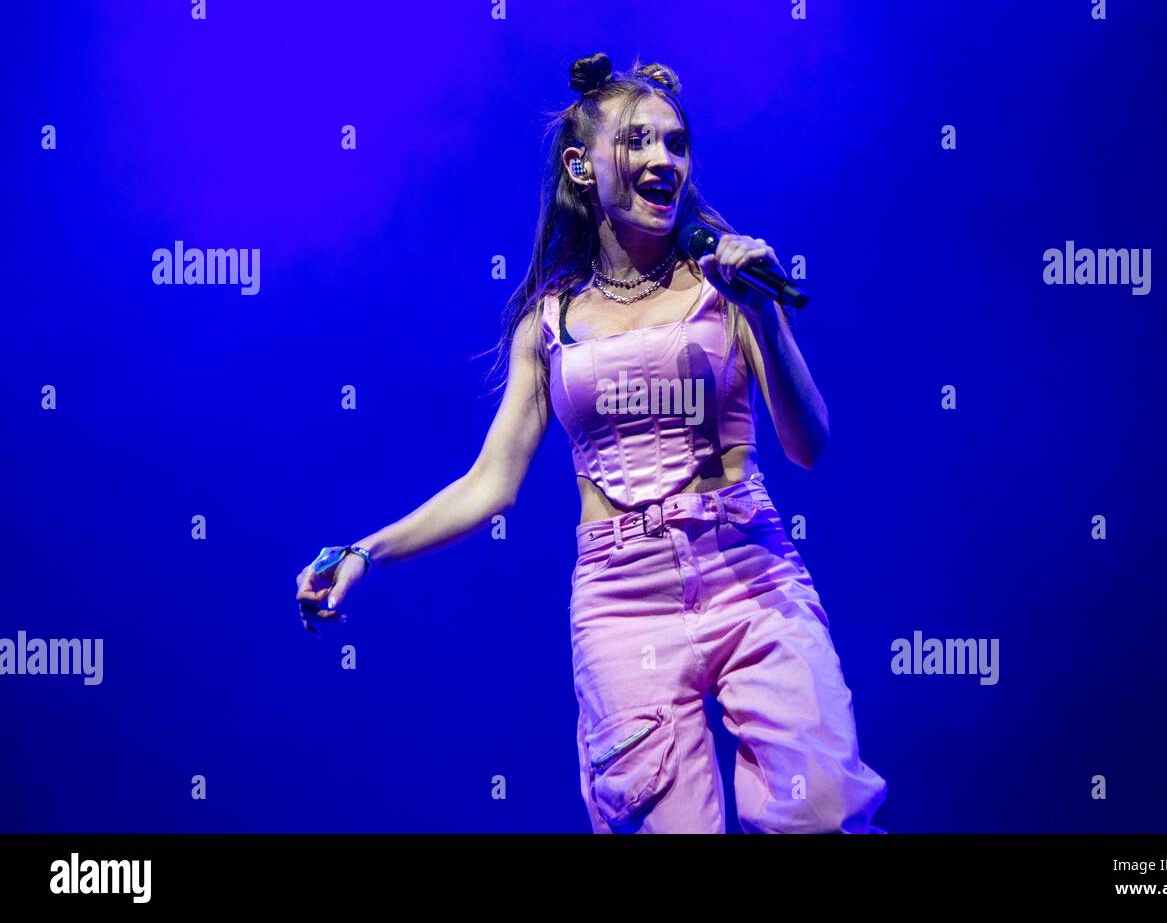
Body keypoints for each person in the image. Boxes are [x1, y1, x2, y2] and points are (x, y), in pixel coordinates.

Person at [296, 52, 888, 833]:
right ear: (582, 167)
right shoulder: (550, 322)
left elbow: (809, 445)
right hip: (622, 601)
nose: (663, 159)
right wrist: (366, 551)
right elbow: (490, 483)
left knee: (820, 809)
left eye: (677, 143)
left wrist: (766, 318)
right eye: (637, 141)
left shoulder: (727, 289)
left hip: (750, 573)